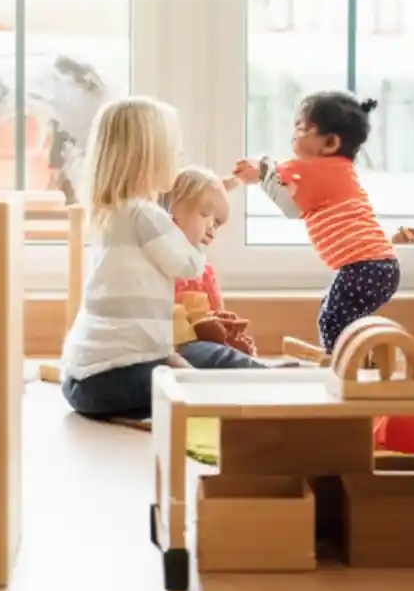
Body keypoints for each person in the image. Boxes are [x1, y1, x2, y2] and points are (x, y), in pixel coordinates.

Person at [60, 98, 262, 420]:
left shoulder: (115, 213)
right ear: (147, 159)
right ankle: (275, 385)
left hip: (83, 379)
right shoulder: (146, 217)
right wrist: (197, 233)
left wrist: (215, 193)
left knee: (198, 362)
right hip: (111, 378)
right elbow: (189, 266)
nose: (179, 158)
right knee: (208, 371)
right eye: (174, 151)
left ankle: (262, 382)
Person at [234, 90, 399, 355]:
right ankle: (356, 356)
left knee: (333, 317)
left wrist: (262, 171)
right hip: (376, 267)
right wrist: (264, 171)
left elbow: (290, 207)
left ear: (331, 142)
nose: (294, 133)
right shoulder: (333, 169)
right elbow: (280, 175)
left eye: (303, 128)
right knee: (340, 314)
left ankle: (341, 359)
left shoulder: (316, 169)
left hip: (365, 267)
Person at [164, 165, 259, 356]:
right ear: (173, 208)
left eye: (217, 223)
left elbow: (216, 323)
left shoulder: (205, 275)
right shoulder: (157, 265)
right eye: (205, 214)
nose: (211, 228)